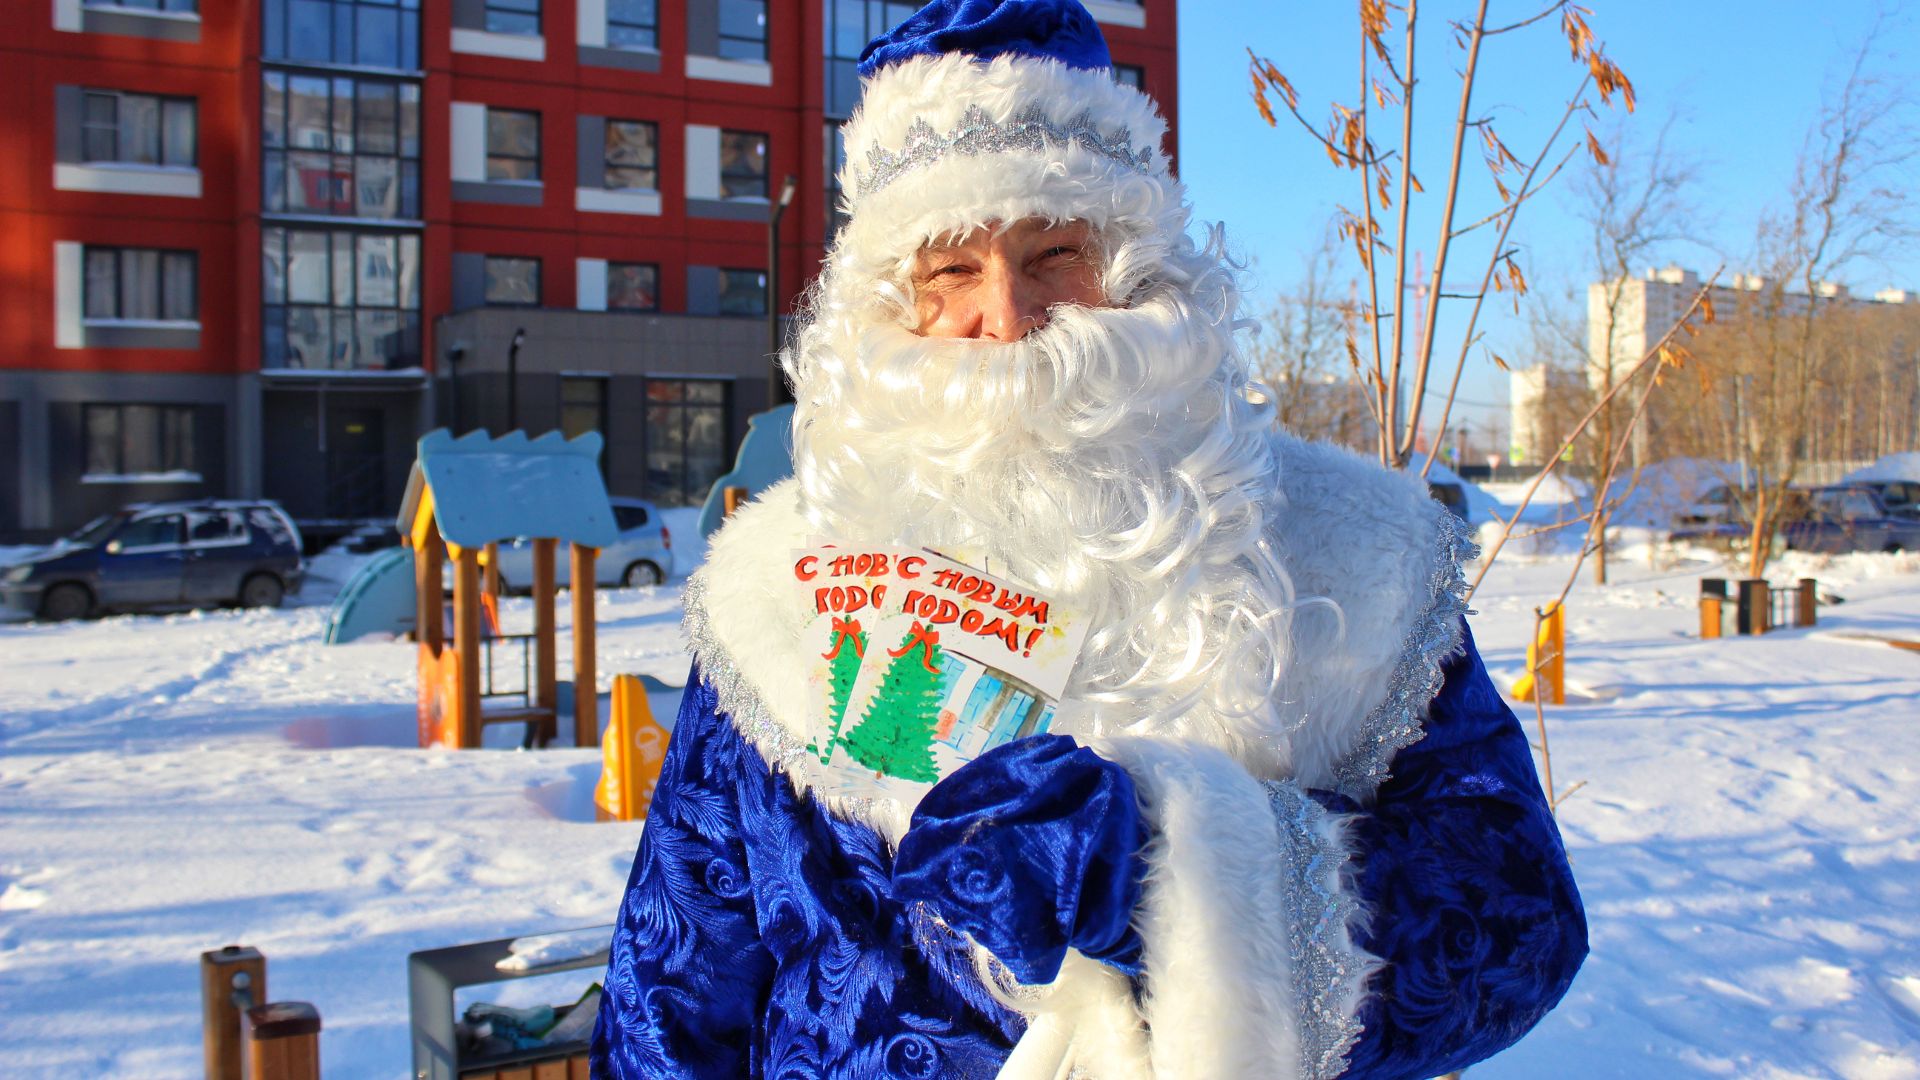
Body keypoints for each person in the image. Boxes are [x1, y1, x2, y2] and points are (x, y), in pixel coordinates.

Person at [591, 1, 1587, 1077]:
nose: (1009, 316)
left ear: (1138, 268)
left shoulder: (1352, 555)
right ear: (891, 307)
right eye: (950, 270)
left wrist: (1178, 863)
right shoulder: (777, 595)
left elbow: (1521, 919)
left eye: (1054, 251)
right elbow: (672, 993)